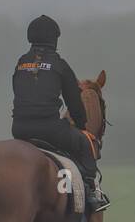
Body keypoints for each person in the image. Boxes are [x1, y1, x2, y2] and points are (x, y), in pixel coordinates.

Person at [11, 15, 109, 212]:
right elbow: (74, 103)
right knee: (83, 144)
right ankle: (91, 193)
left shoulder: (21, 62)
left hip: (19, 129)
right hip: (50, 129)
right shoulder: (60, 65)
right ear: (54, 40)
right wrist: (81, 126)